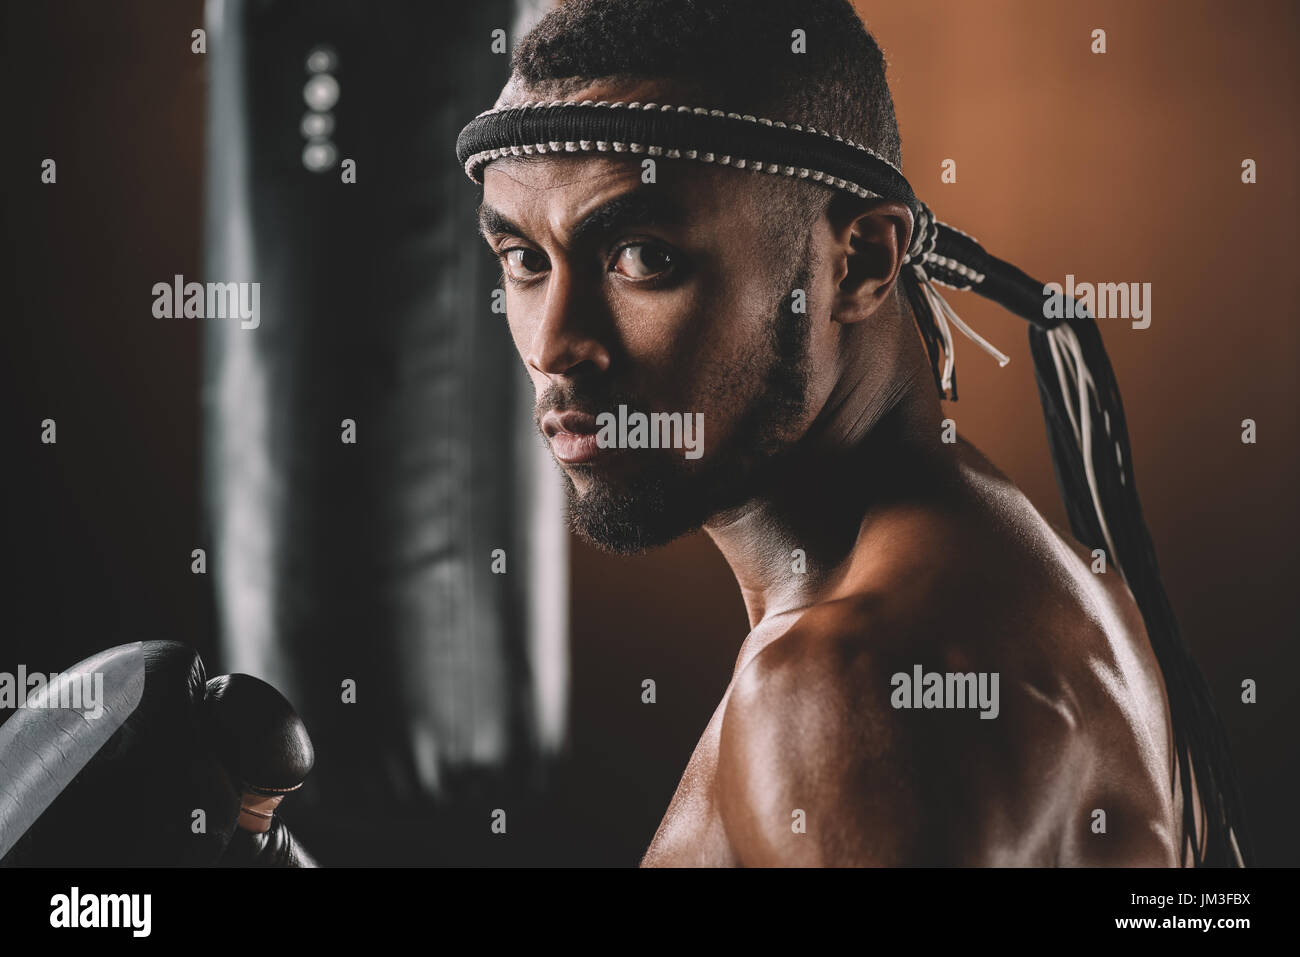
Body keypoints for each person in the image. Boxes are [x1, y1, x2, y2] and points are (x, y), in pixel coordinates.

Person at [457, 0, 1250, 866]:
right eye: (525, 260)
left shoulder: (847, 688)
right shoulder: (1001, 576)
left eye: (642, 254)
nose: (554, 343)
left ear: (862, 263)